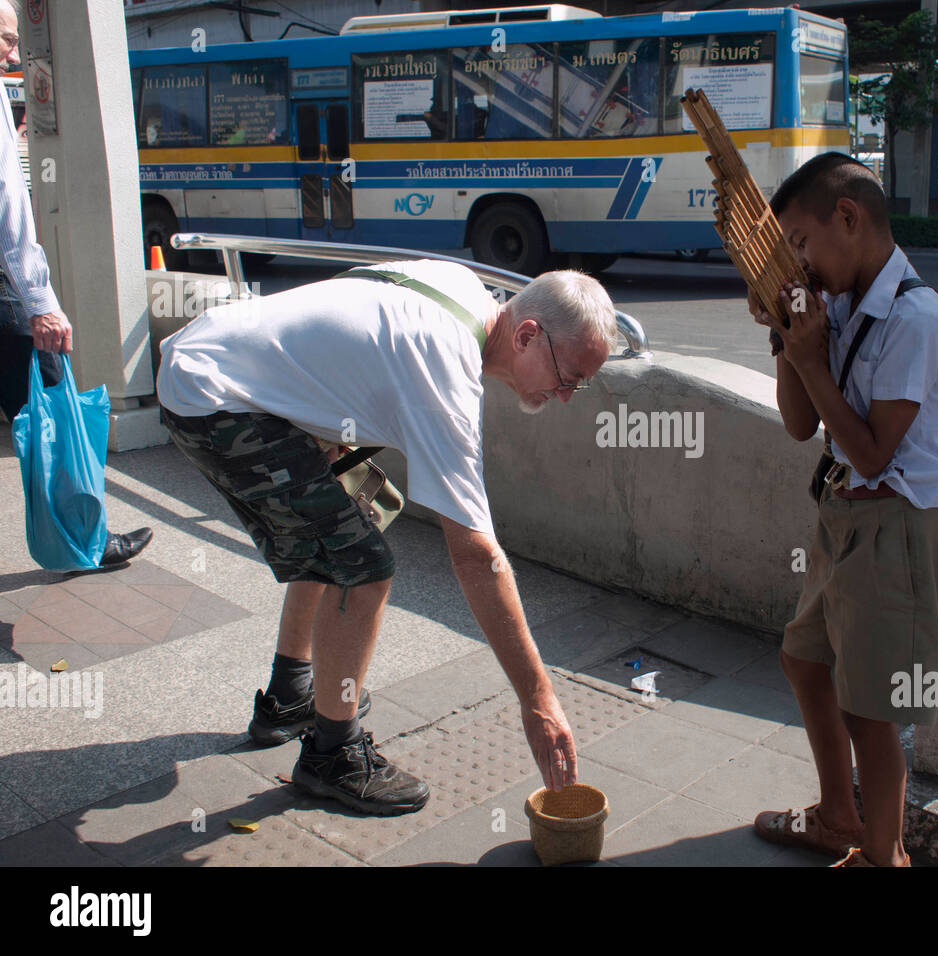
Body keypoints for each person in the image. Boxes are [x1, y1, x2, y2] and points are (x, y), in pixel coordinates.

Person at [155, 260, 618, 815]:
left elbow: (354, 301)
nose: (565, 396)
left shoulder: (461, 287)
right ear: (526, 336)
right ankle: (331, 754)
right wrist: (538, 701)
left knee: (346, 524)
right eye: (567, 379)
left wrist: (317, 416)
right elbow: (476, 559)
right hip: (214, 398)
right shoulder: (447, 373)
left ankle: (289, 694)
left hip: (221, 362)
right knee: (362, 566)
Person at [748, 153, 938, 867]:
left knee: (871, 710)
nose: (800, 263)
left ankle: (882, 855)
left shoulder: (914, 317)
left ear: (849, 217)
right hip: (843, 511)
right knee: (805, 661)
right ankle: (838, 816)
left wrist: (811, 356)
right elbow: (800, 425)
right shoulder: (835, 307)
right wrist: (786, 336)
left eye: (801, 243)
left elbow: (873, 453)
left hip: (896, 523)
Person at [0, 0, 152, 569]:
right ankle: (81, 541)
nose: (15, 52)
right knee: (52, 410)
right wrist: (41, 302)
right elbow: (9, 210)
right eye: (7, 40)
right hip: (6, 297)